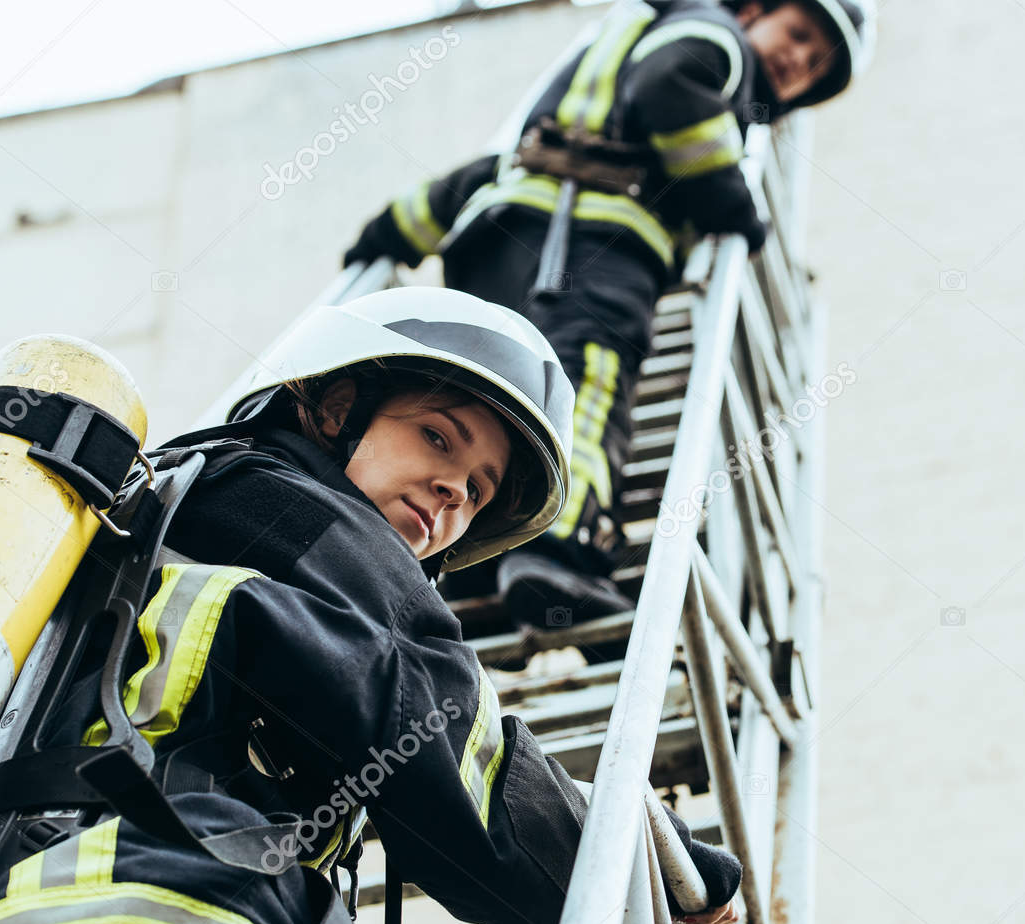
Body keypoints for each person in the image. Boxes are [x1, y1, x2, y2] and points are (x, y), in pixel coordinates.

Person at [0, 286, 739, 924]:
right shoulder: (298, 515)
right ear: (332, 407)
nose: (451, 492)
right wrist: (653, 862)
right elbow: (451, 750)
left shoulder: (168, 510)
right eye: (437, 436)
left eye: (478, 490)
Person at [343, 0, 876, 635]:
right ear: (756, 7)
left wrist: (392, 231)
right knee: (583, 384)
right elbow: (669, 86)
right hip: (597, 243)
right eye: (799, 34)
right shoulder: (714, 37)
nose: (800, 62)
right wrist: (732, 206)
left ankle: (478, 564)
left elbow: (495, 170)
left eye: (816, 64)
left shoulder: (608, 56)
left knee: (491, 409)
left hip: (503, 244)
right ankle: (560, 550)